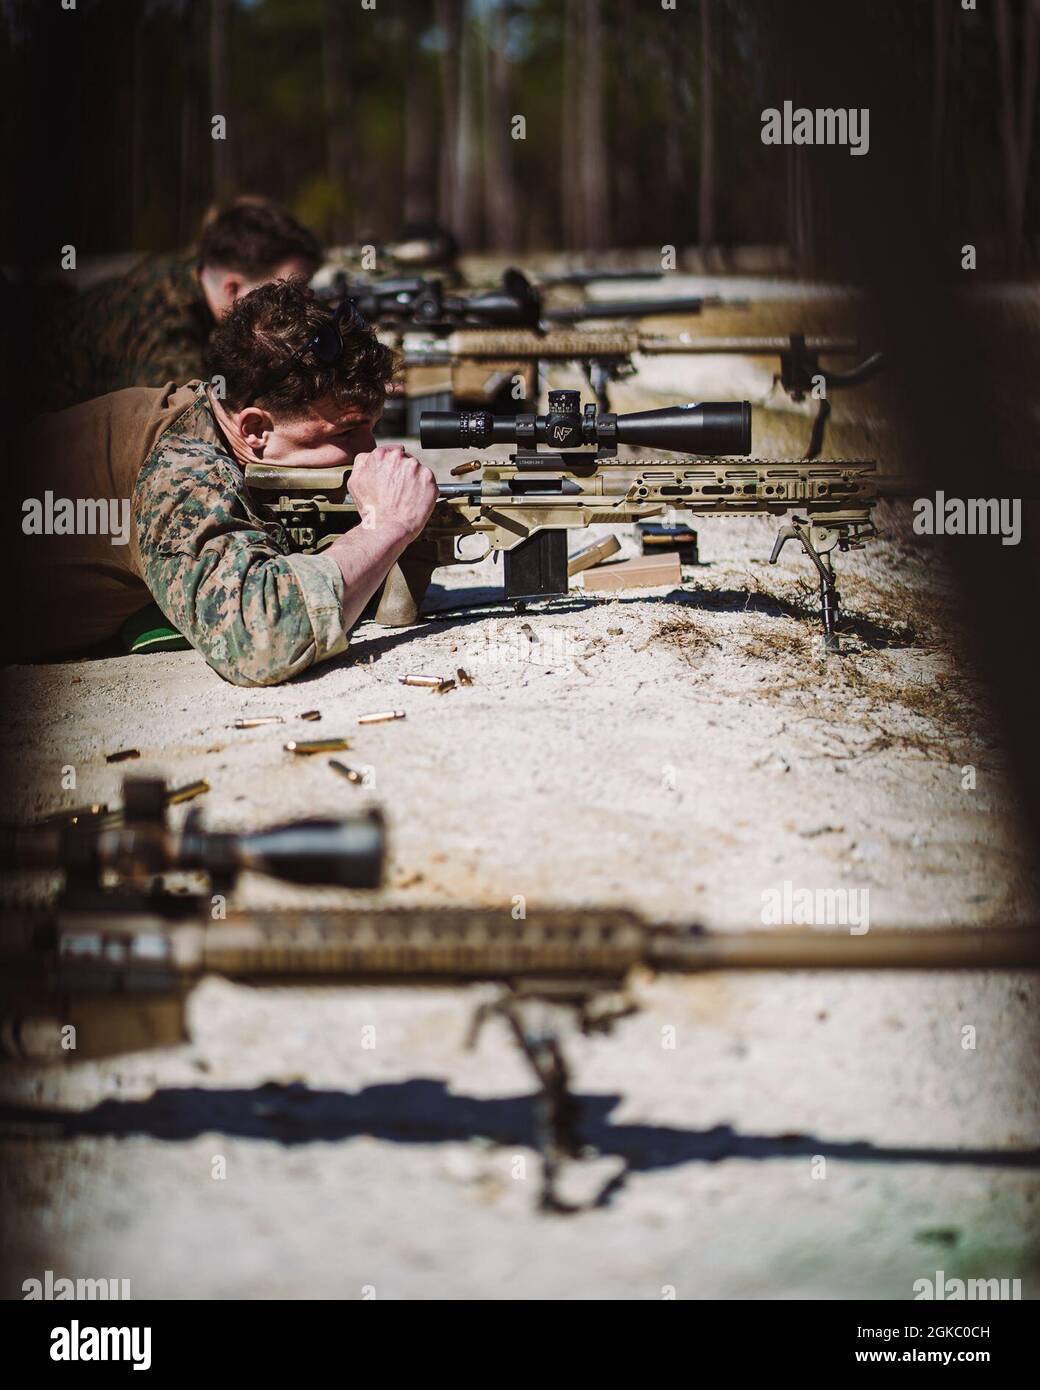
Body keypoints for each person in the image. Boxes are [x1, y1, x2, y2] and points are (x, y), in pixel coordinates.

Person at [19, 279, 438, 685]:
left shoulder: (215, 415)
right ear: (254, 429)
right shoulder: (183, 471)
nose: (369, 452)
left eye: (374, 428)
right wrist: (386, 527)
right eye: (345, 434)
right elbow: (261, 641)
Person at [41, 201, 323, 412]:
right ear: (232, 288)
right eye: (289, 291)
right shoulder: (166, 322)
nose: (300, 304)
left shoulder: (195, 277)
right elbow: (187, 418)